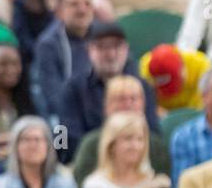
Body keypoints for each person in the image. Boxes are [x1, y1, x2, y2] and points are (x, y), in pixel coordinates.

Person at [58, 20, 159, 159]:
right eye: (102, 47)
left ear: (126, 49)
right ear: (89, 50)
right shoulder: (73, 87)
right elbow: (65, 134)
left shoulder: (141, 86)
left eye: (117, 47)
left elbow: (154, 131)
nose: (111, 54)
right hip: (89, 160)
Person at [70, 74, 172, 188]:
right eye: (120, 99)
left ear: (143, 104)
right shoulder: (91, 145)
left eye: (134, 99)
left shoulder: (156, 147)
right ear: (107, 106)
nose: (128, 105)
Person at [82, 111, 175, 188]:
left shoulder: (159, 184)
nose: (135, 146)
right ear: (111, 145)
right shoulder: (95, 185)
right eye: (128, 138)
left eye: (140, 139)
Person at [31, 0, 95, 124]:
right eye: (74, 4)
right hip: (64, 117)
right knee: (61, 138)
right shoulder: (48, 44)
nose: (82, 10)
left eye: (87, 4)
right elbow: (51, 96)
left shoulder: (104, 38)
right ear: (59, 10)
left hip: (98, 113)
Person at [140, 44, 212, 113]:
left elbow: (203, 106)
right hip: (163, 115)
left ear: (182, 69)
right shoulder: (146, 69)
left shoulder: (200, 65)